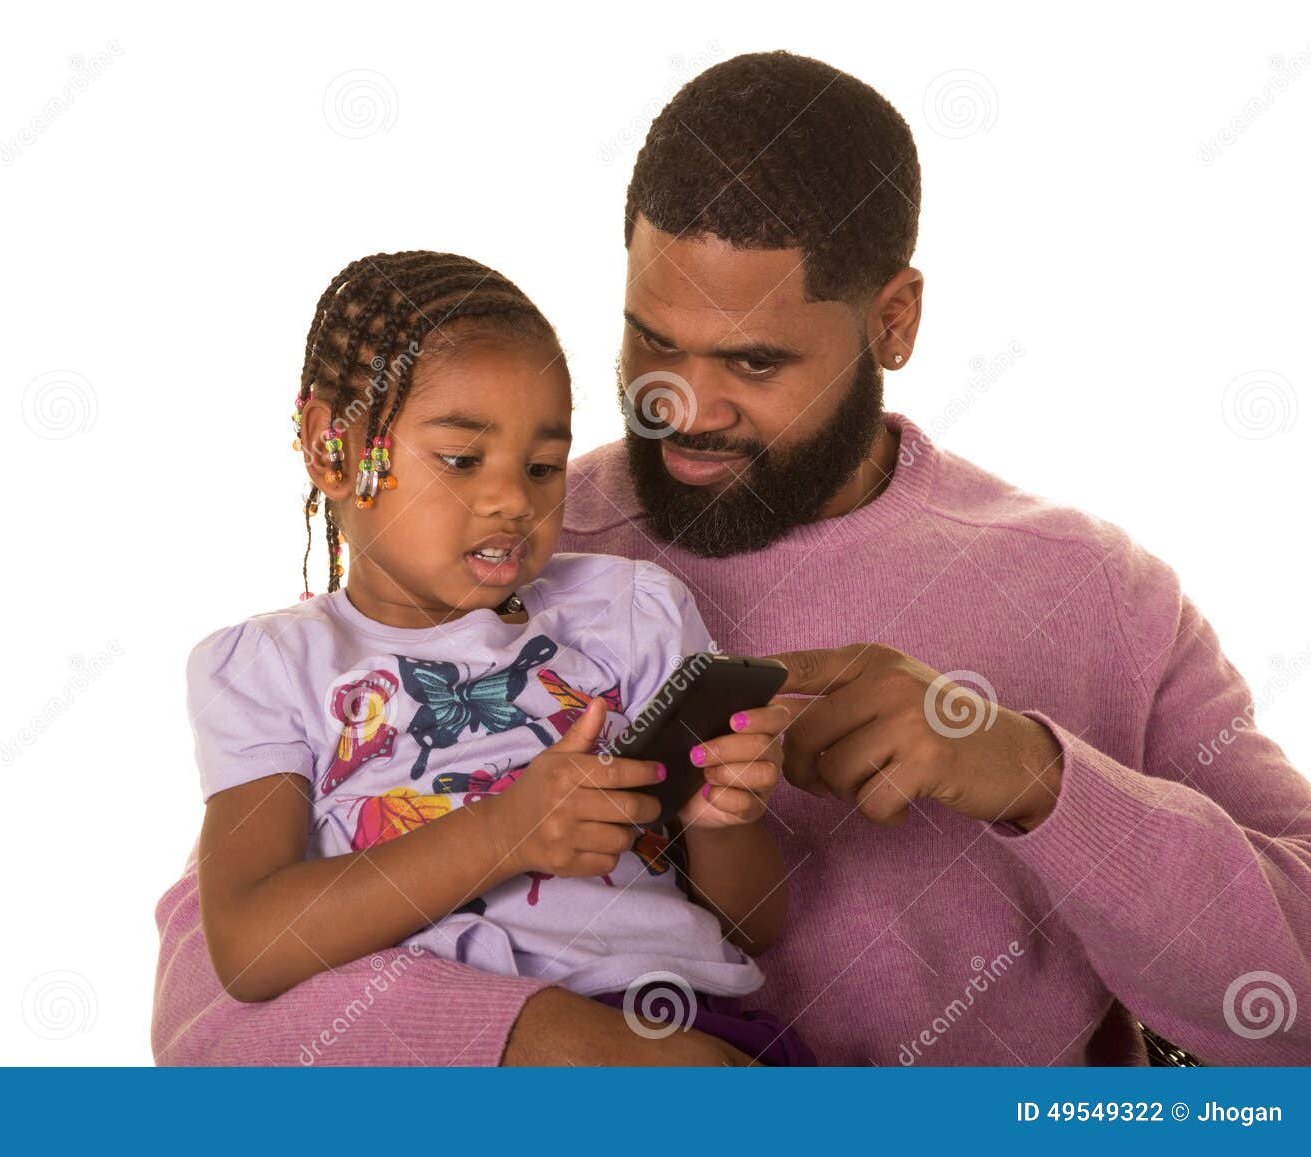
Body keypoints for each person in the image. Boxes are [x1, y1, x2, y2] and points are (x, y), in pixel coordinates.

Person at [152, 51, 1311, 1066]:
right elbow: (214, 998)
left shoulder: (1097, 593)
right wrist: (546, 1047)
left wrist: (1033, 775)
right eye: (651, 342)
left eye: (753, 364)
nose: (684, 408)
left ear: (893, 322)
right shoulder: (495, 548)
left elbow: (1294, 1010)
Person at [182, 248, 813, 1066]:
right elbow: (251, 941)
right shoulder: (273, 665)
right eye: (461, 459)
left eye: (544, 465)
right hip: (468, 1053)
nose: (514, 499)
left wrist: (723, 822)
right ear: (333, 449)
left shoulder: (627, 612)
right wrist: (509, 831)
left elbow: (752, 921)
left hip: (688, 1022)